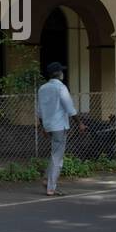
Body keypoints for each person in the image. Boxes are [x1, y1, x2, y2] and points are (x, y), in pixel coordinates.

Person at [36, 61, 82, 196]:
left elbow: (39, 111)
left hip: (48, 125)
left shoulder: (42, 88)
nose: (63, 73)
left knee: (54, 153)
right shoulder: (61, 88)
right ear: (57, 73)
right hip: (59, 126)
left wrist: (43, 126)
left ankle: (46, 179)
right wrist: (79, 123)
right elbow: (70, 108)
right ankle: (51, 187)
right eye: (61, 71)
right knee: (58, 158)